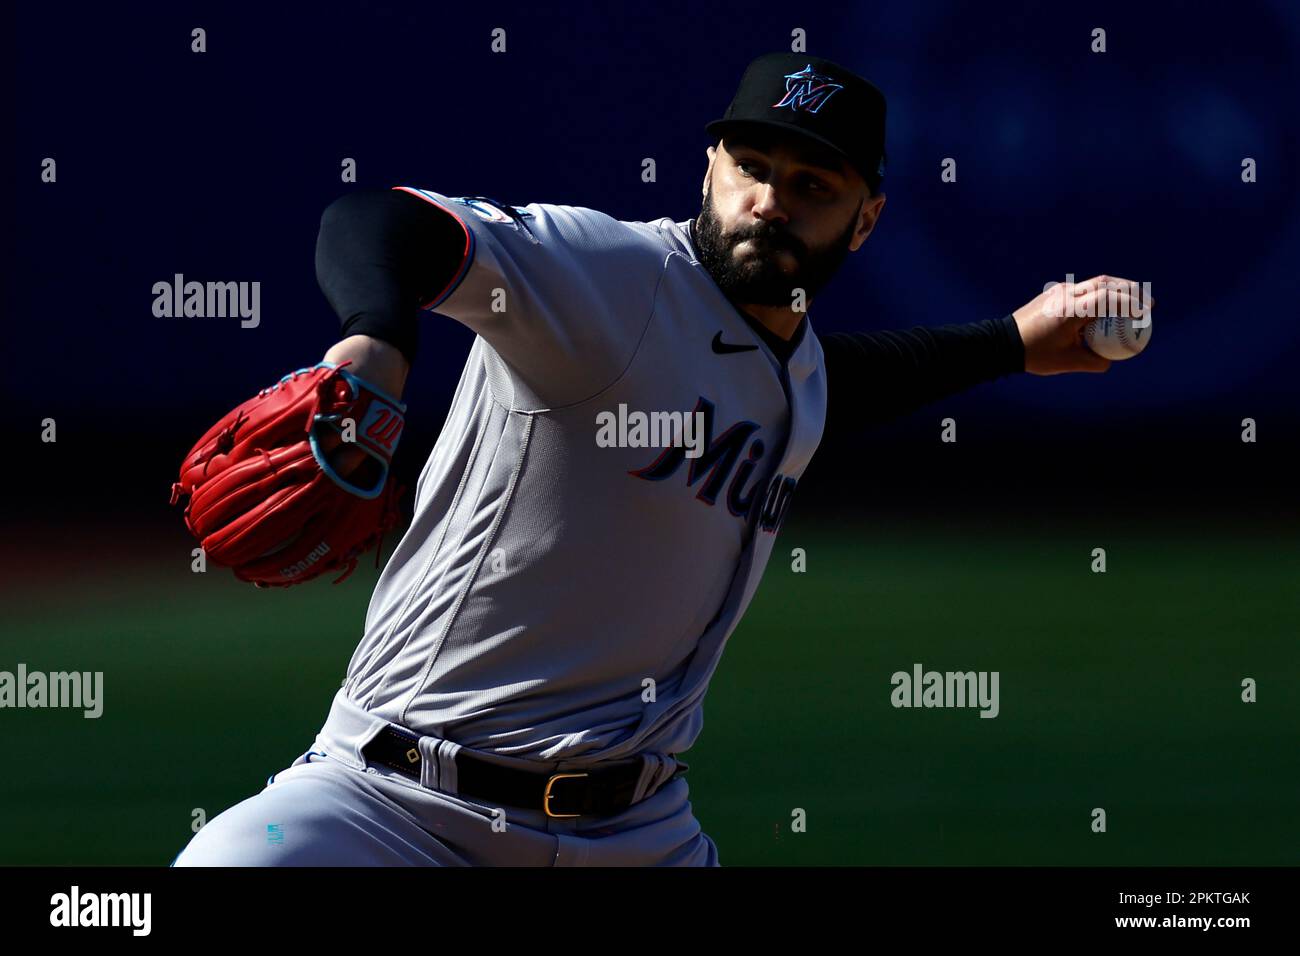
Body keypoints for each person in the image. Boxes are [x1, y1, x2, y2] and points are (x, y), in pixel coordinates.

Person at [171, 52, 1143, 867]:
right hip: (391, 807)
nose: (769, 200)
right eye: (751, 163)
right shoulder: (612, 275)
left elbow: (827, 381)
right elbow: (381, 221)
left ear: (866, 218)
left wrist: (1010, 340)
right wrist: (373, 342)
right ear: (708, 165)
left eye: (813, 186)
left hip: (638, 832)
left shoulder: (791, 365)